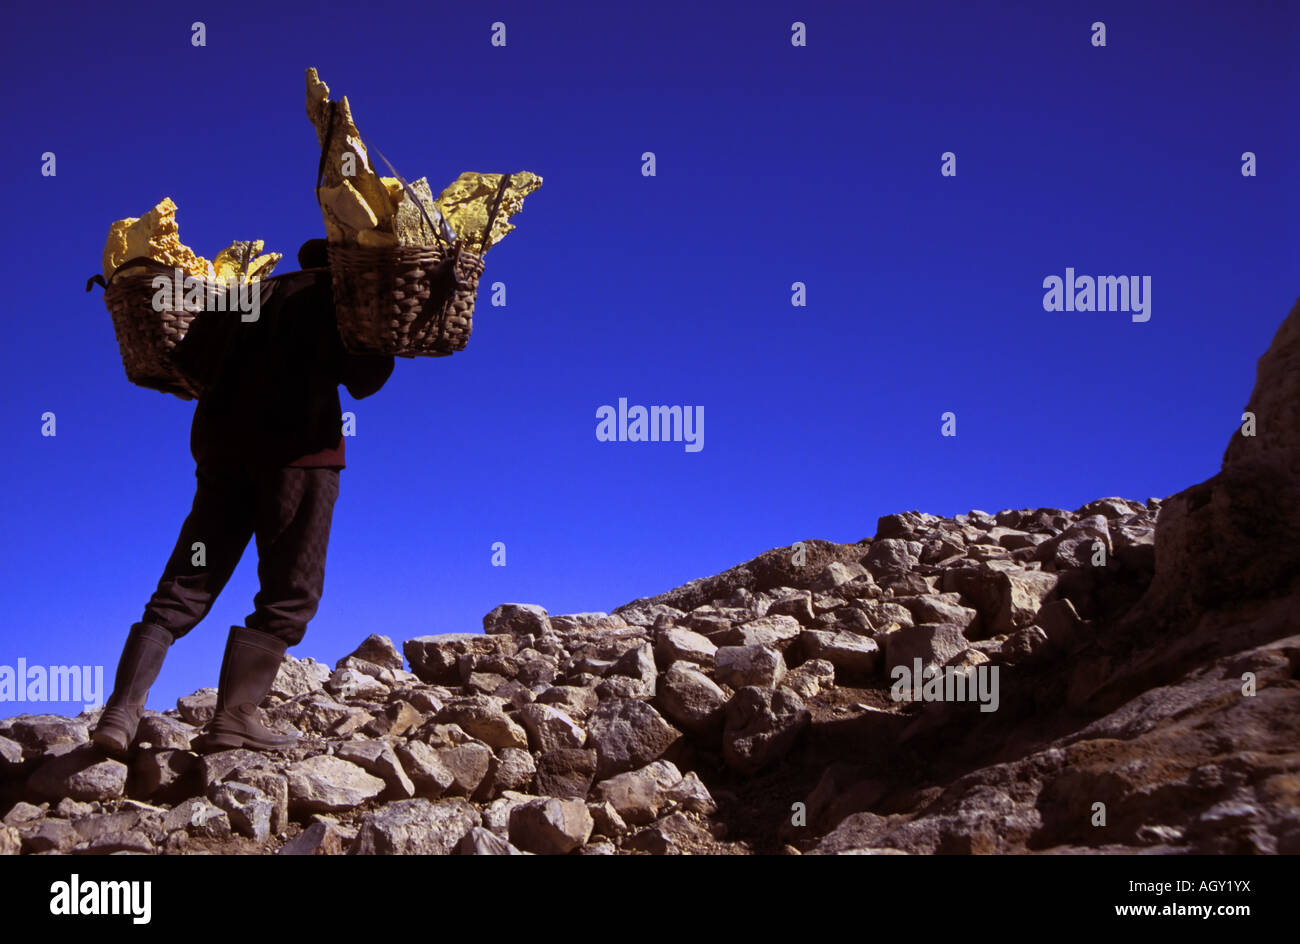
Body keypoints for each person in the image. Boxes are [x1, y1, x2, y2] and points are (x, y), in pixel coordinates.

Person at [92, 238, 395, 756]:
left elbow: (187, 366)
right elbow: (366, 378)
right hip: (297, 458)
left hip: (221, 460)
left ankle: (120, 712)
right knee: (290, 591)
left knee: (187, 581)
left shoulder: (239, 297)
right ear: (344, 266)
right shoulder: (335, 295)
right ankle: (235, 719)